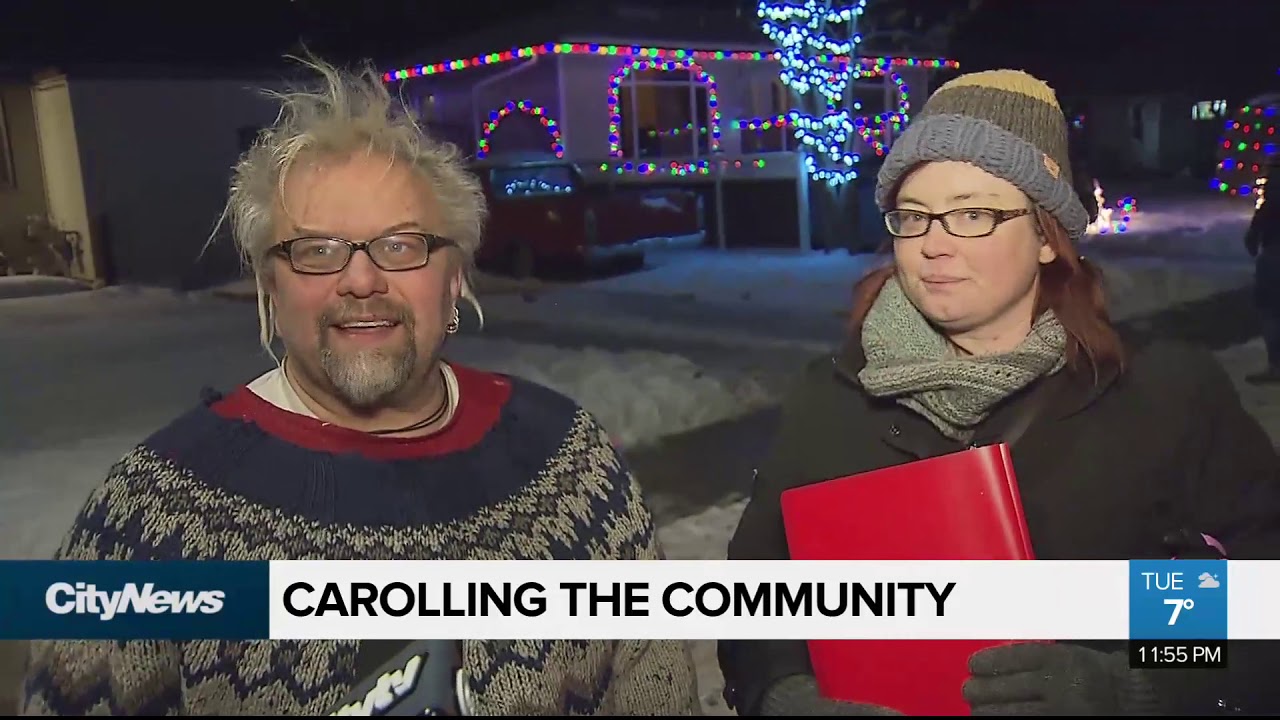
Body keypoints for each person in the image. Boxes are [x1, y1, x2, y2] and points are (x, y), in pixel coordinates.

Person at [20, 54, 700, 716]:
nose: (362, 280)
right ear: (270, 286)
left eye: (401, 245)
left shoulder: (572, 468)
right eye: (318, 251)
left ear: (455, 277)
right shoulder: (151, 519)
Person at [718, 69, 1280, 716]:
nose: (933, 244)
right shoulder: (833, 397)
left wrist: (1131, 686)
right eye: (915, 215)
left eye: (973, 215)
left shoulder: (1165, 395)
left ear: (1047, 236)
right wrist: (785, 695)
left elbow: (1250, 606)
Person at [1245, 154, 1280, 384]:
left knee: (1271, 311)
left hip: (1274, 253)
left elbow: (1251, 238)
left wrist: (1254, 242)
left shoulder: (1270, 200)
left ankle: (1276, 366)